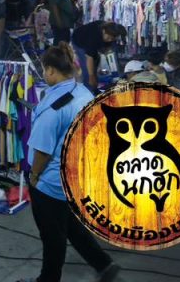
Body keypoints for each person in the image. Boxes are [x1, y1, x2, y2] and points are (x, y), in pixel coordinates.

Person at [20, 44, 120, 282]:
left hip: (51, 183)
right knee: (71, 226)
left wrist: (34, 178)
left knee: (52, 235)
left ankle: (48, 279)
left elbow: (42, 151)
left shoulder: (53, 108)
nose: (44, 75)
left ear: (52, 71)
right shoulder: (82, 91)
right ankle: (103, 264)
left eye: (45, 70)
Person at [70, 21, 126, 92]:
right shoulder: (93, 37)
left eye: (112, 39)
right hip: (79, 41)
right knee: (87, 70)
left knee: (95, 63)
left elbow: (110, 54)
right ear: (104, 31)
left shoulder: (112, 31)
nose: (109, 40)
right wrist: (91, 76)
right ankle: (89, 91)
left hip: (93, 43)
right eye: (108, 37)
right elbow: (89, 58)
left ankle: (94, 87)